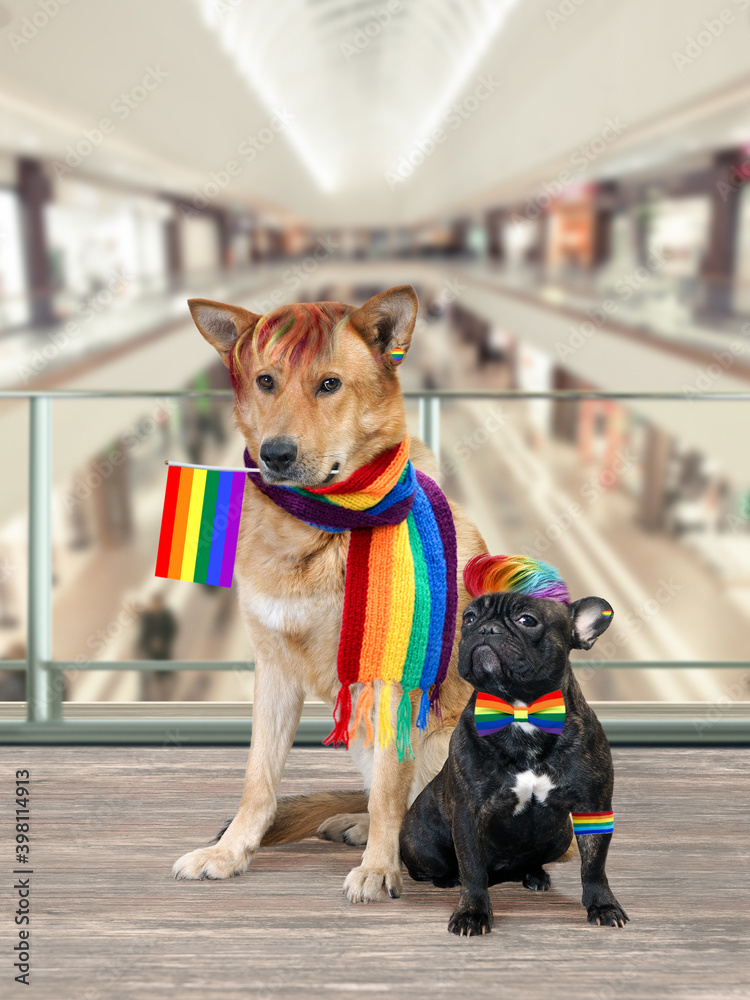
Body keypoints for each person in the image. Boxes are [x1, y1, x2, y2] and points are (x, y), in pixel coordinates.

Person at [138, 595, 177, 700]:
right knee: (150, 676)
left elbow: (172, 630)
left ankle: (165, 695)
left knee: (163, 674)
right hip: (150, 653)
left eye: (157, 604)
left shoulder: (166, 616)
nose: (155, 607)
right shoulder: (147, 617)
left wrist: (163, 642)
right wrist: (150, 644)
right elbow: (143, 634)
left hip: (163, 652)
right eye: (153, 604)